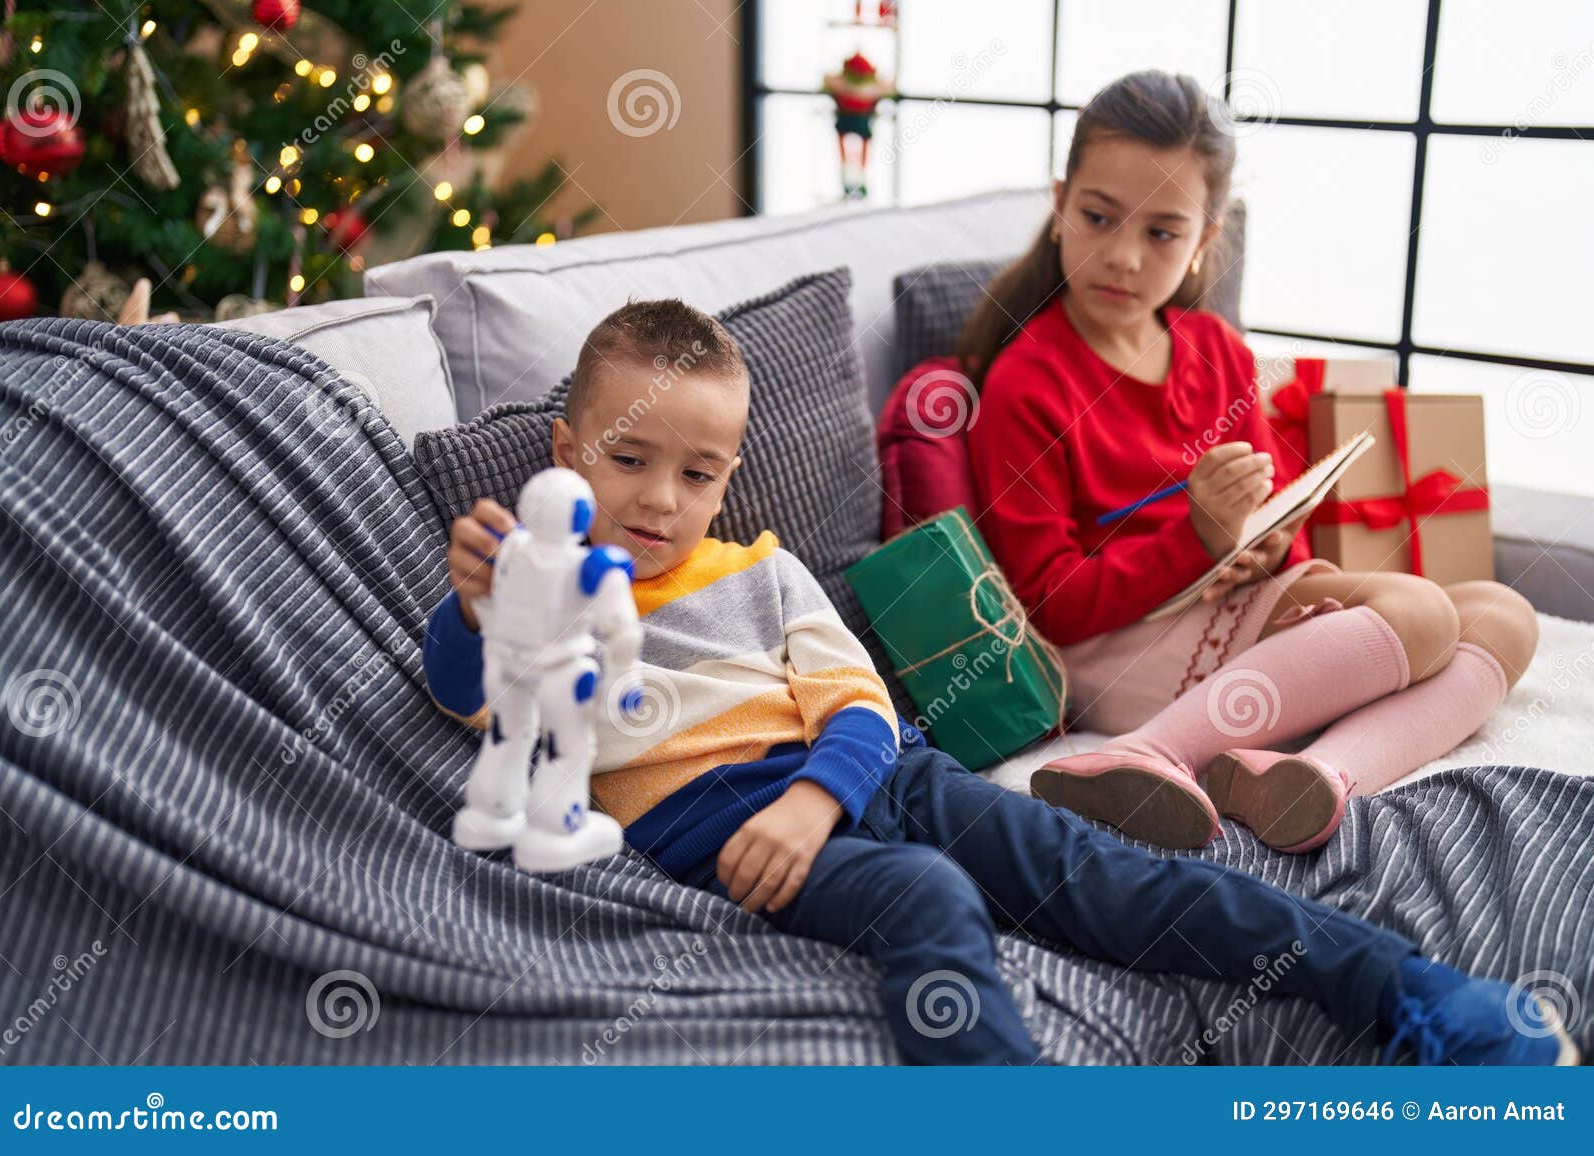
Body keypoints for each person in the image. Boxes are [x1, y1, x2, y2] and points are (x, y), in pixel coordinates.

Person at [422, 297, 1574, 1066]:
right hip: (728, 832)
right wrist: (477, 606)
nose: (659, 499)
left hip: (876, 776)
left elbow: (860, 707)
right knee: (925, 894)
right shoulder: (541, 588)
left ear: (728, 478)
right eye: (628, 459)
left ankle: (1409, 989)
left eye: (697, 472)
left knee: (1116, 877)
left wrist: (819, 793)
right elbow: (473, 698)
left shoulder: (764, 572)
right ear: (567, 453)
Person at [962, 70, 1537, 855]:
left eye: (1162, 233)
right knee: (1424, 615)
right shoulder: (1027, 380)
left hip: (1230, 607)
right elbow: (1048, 602)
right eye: (1098, 217)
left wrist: (1269, 554)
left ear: (1203, 242)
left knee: (1504, 615)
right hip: (1116, 642)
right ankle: (1147, 752)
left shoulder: (1219, 353)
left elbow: (1276, 524)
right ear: (1059, 204)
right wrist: (1197, 538)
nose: (1123, 256)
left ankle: (1313, 778)